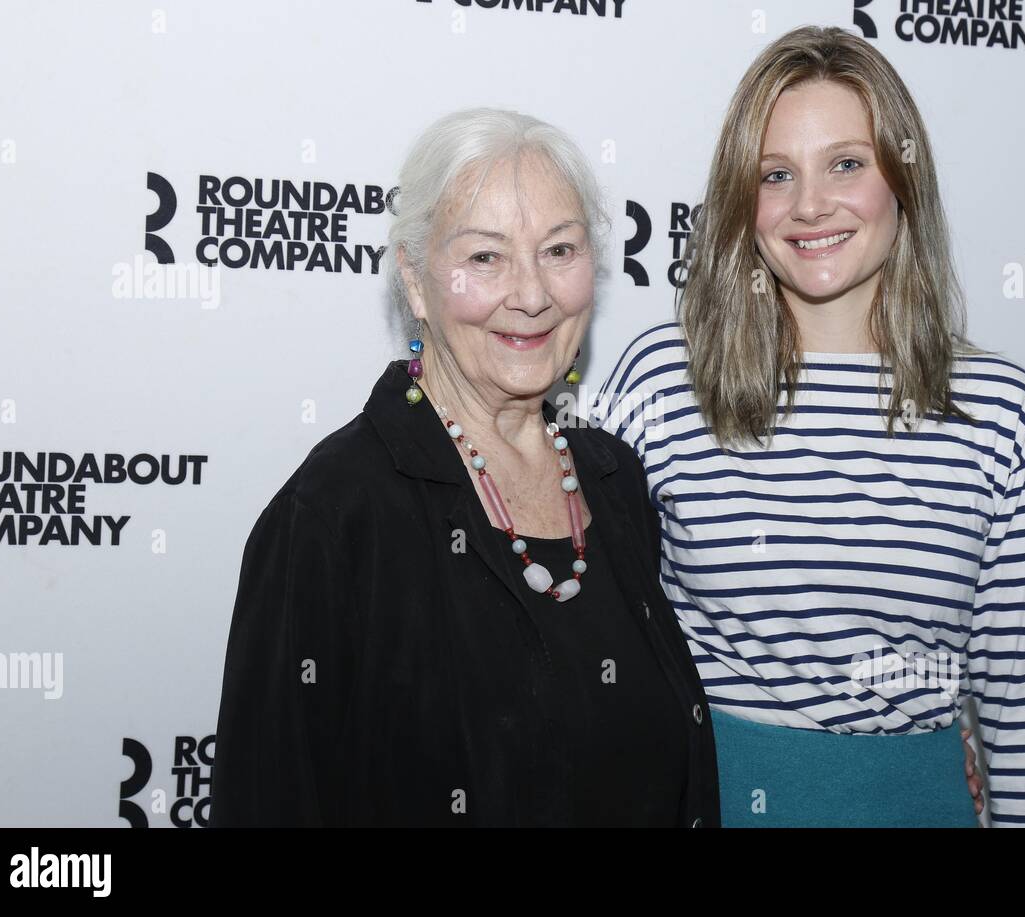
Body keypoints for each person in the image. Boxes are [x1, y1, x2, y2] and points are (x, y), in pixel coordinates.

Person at [594, 26, 1025, 827]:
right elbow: (568, 627)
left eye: (846, 164)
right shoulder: (663, 381)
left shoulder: (1001, 412)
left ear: (903, 176)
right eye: (775, 174)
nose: (810, 205)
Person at [210, 108, 718, 827]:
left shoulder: (615, 481)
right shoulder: (333, 514)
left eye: (559, 250)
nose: (533, 294)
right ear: (416, 281)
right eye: (486, 257)